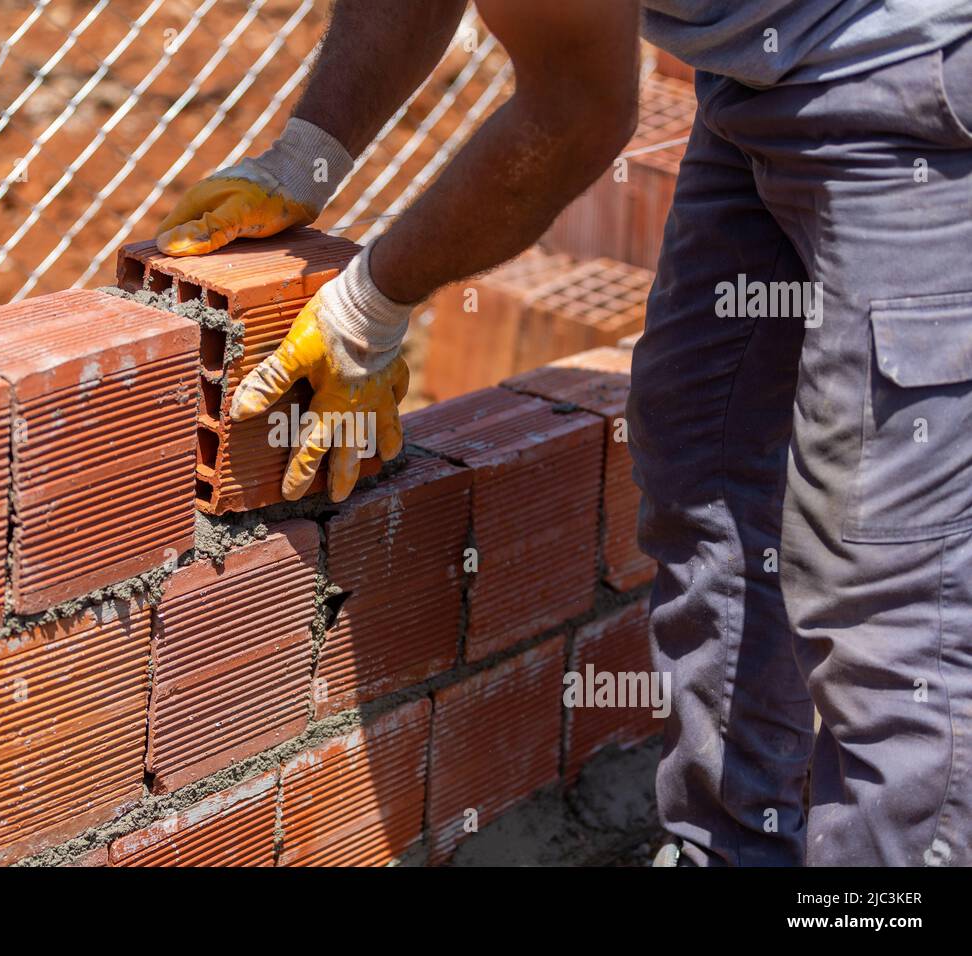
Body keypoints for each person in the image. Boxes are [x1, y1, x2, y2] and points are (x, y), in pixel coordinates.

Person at [156, 0, 972, 867]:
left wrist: (371, 303)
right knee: (707, 473)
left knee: (888, 592)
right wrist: (307, 156)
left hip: (913, 96)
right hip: (760, 78)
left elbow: (575, 112)